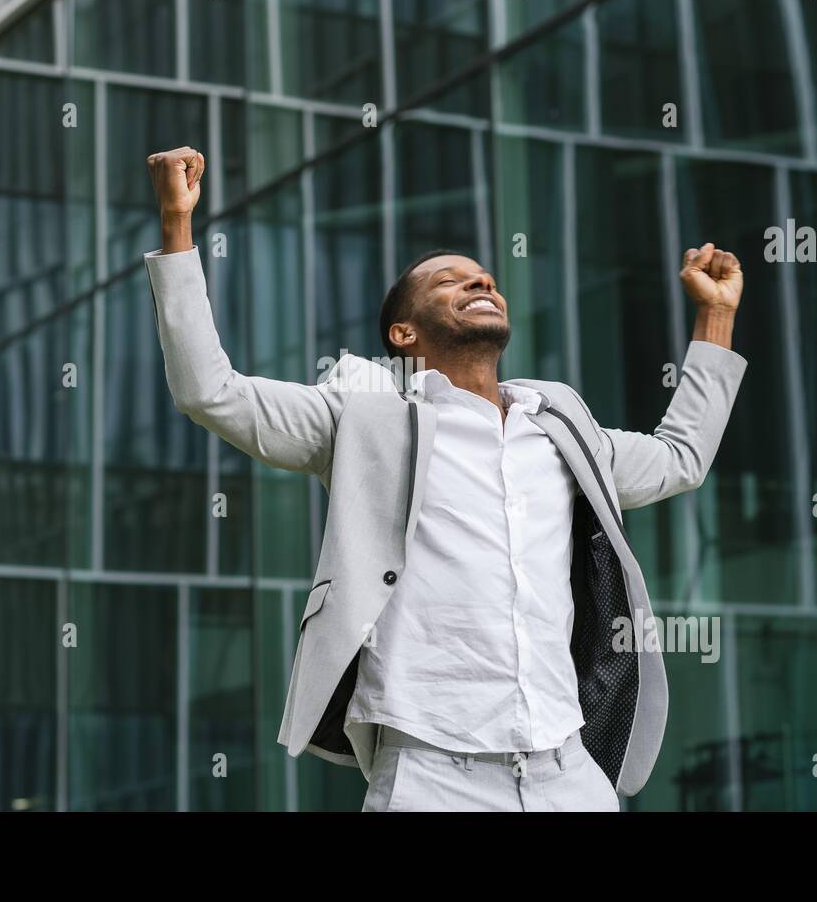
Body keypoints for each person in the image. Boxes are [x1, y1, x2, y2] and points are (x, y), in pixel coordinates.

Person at [144, 146, 747, 811]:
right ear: (404, 330)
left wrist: (714, 318)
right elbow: (212, 391)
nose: (480, 283)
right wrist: (177, 224)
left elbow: (680, 457)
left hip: (566, 772)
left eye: (487, 278)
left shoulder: (559, 430)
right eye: (451, 282)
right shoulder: (366, 416)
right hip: (433, 776)